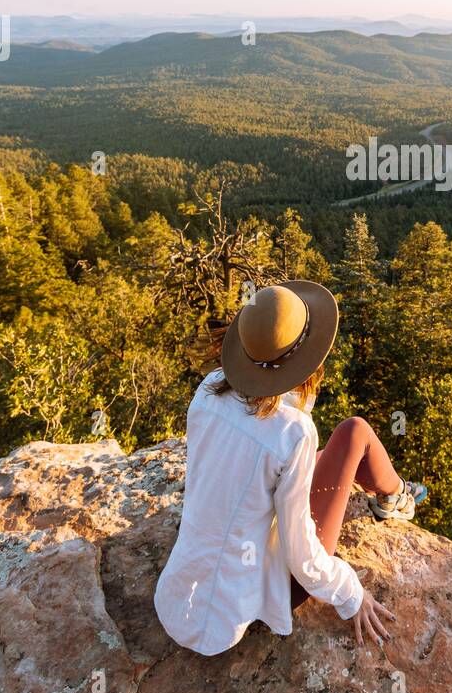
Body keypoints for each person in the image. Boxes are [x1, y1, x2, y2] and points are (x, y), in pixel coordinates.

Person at [154, 280, 427, 656]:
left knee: (321, 456)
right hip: (250, 601)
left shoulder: (208, 388)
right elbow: (302, 557)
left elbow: (248, 455)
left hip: (176, 596)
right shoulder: (294, 432)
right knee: (353, 432)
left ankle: (395, 493)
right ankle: (397, 497)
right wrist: (351, 594)